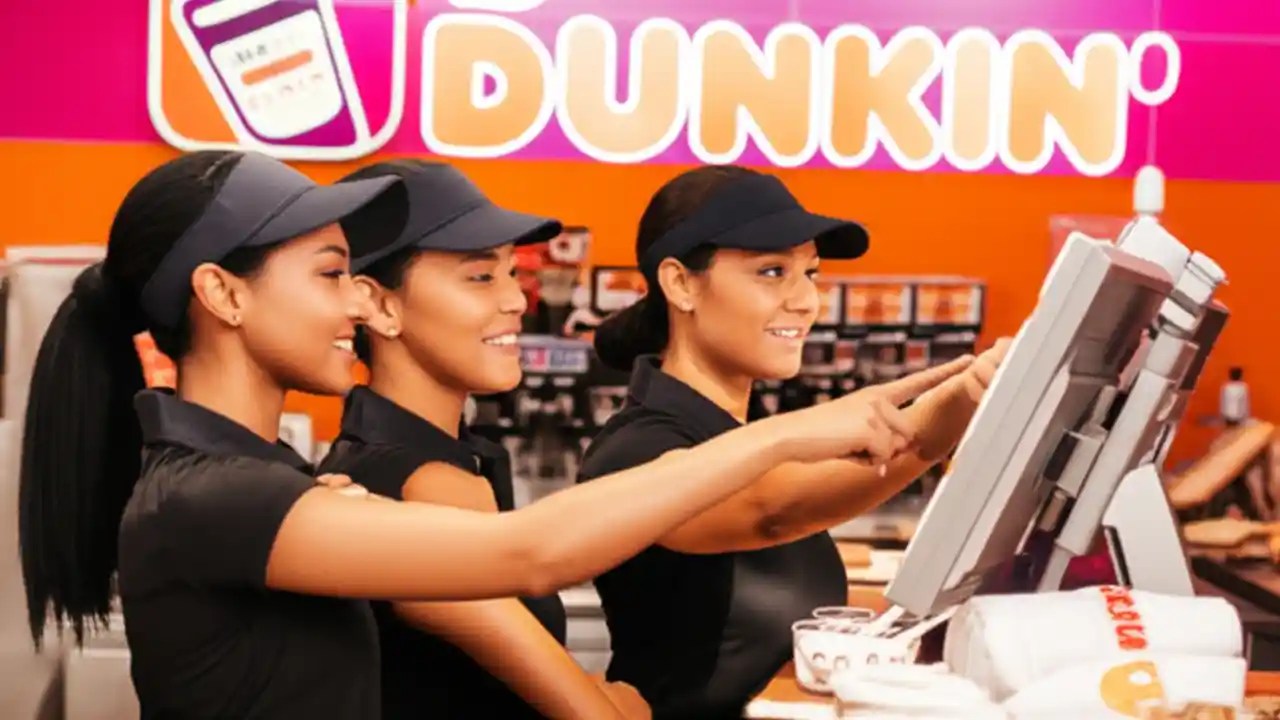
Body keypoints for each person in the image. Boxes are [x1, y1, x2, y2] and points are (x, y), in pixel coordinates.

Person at [18, 151, 971, 720]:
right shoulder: (218, 494)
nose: (353, 302)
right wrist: (779, 440)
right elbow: (526, 555)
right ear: (222, 294)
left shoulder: (264, 482)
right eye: (326, 275)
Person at [579, 165, 1009, 720]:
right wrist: (958, 401)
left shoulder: (737, 431)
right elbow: (772, 508)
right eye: (773, 271)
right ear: (681, 284)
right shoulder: (636, 449)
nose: (806, 300)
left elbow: (801, 608)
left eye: (811, 272)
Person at [318, 159, 643, 719]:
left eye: (512, 272)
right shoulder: (425, 485)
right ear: (378, 305)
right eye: (480, 276)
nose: (516, 300)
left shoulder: (438, 461)